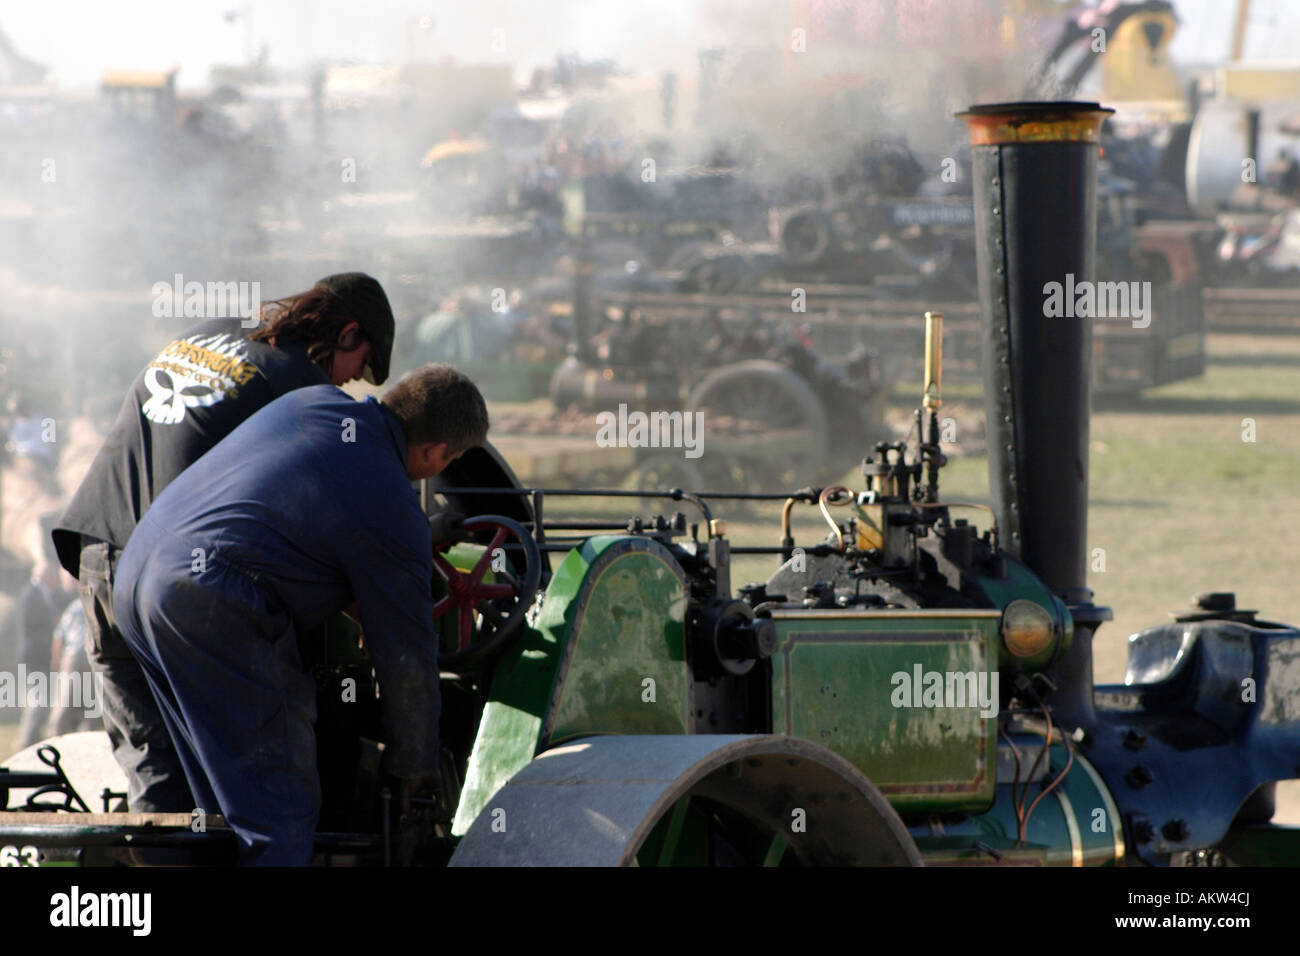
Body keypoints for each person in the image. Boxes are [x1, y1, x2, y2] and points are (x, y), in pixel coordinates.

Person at [112, 364, 487, 865]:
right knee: (277, 810)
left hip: (138, 575)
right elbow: (406, 655)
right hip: (210, 598)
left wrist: (417, 535)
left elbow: (311, 507)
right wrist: (414, 765)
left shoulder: (312, 402)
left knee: (212, 802)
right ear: (438, 453)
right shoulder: (391, 505)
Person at [51, 272, 396, 813]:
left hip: (96, 552)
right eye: (362, 367)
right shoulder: (302, 388)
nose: (352, 384)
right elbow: (314, 513)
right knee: (261, 750)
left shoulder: (210, 331)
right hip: (172, 579)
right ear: (349, 333)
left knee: (153, 760)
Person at [14, 563, 72, 750]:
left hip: (44, 657)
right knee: (38, 702)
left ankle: (33, 740)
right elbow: (30, 626)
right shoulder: (30, 594)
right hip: (34, 657)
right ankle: (26, 742)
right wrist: (52, 626)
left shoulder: (49, 595)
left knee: (42, 702)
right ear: (46, 576)